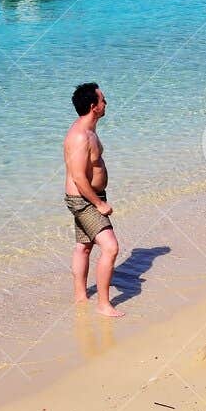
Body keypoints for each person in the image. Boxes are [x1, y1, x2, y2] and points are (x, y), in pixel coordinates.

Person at [65, 82, 123, 317]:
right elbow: (79, 177)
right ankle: (103, 304)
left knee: (84, 247)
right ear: (94, 106)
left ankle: (80, 296)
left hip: (89, 196)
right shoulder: (80, 136)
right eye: (103, 100)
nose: (105, 103)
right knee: (111, 248)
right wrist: (99, 203)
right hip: (85, 199)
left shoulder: (88, 128)